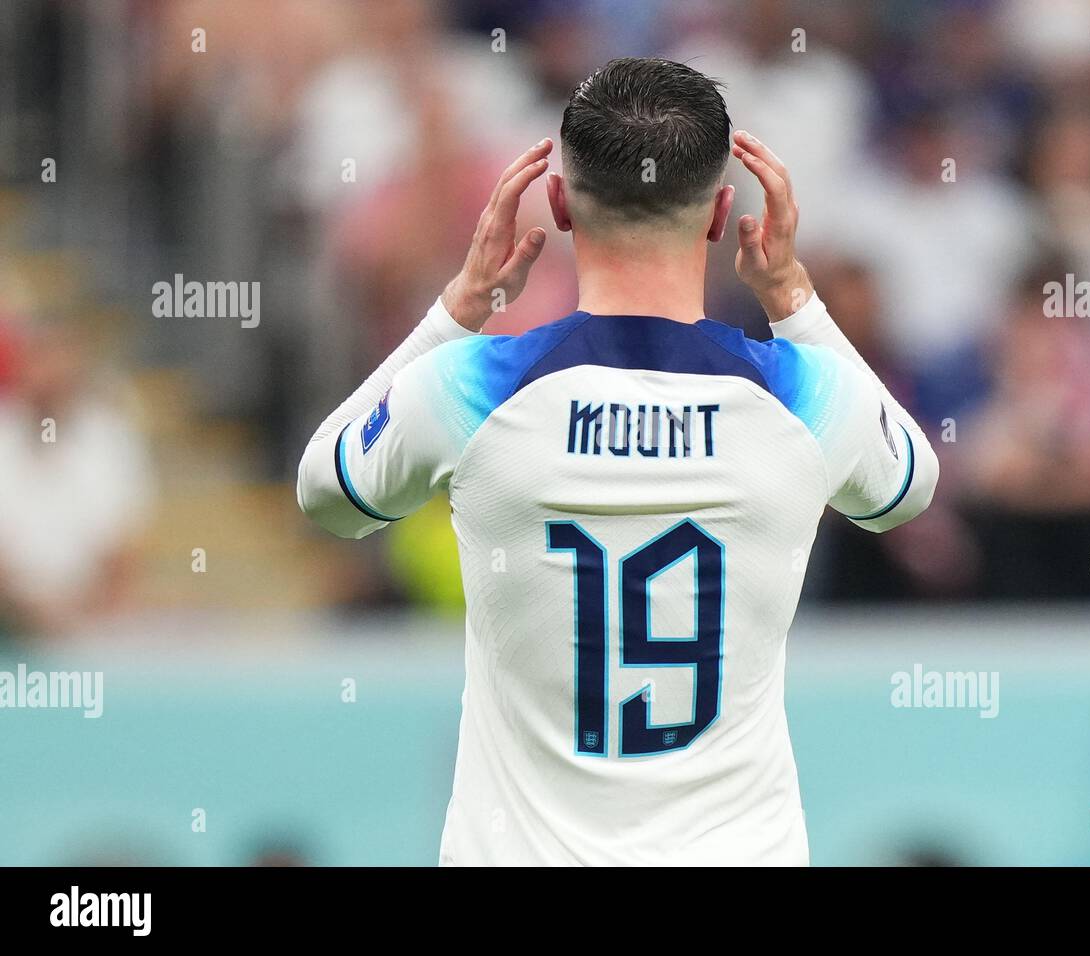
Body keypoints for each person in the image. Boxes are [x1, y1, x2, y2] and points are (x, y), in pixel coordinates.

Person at [297, 58, 938, 865]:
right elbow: (909, 485)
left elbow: (325, 490)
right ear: (723, 215)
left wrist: (456, 310)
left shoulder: (478, 384)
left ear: (559, 204)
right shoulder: (800, 394)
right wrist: (793, 298)